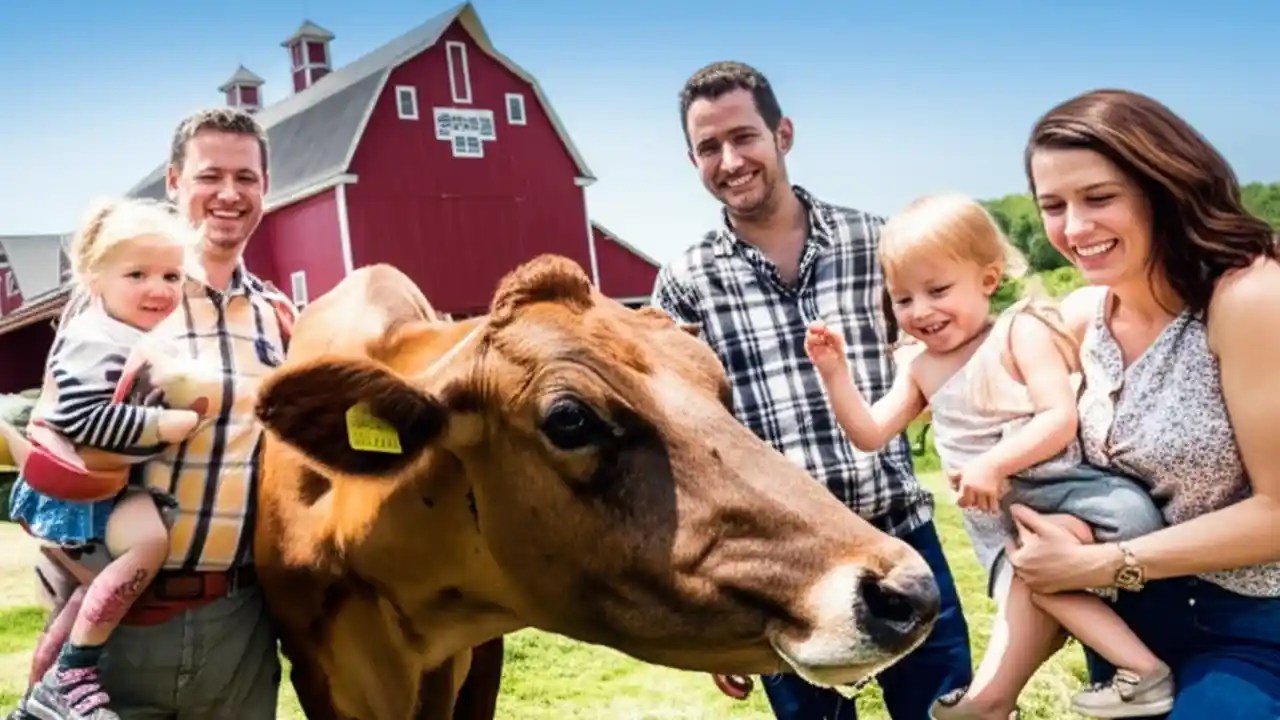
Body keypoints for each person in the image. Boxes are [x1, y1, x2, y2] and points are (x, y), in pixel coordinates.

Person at [651, 60, 973, 719]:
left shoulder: (877, 243)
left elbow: (946, 345)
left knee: (947, 712)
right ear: (693, 160)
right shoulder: (684, 283)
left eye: (744, 137)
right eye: (709, 148)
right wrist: (713, 616)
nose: (731, 160)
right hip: (783, 566)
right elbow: (681, 446)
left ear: (783, 134)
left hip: (902, 534)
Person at [802, 192, 1172, 719]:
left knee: (1039, 575)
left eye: (938, 290)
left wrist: (993, 464)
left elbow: (1058, 416)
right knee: (1037, 584)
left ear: (988, 280)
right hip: (1007, 522)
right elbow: (869, 432)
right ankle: (1003, 700)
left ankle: (1137, 672)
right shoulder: (920, 368)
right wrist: (835, 374)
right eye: (903, 300)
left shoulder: (1017, 332)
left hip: (1076, 496)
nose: (921, 311)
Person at [1003, 88, 1280, 719]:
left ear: (1163, 187)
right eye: (1053, 205)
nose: (1074, 228)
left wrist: (1099, 561)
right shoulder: (1081, 318)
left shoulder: (1248, 297)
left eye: (1099, 198)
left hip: (1253, 628)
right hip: (1133, 639)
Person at [9, 107, 293, 720]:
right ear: (173, 182)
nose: (228, 194)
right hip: (117, 626)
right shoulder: (120, 299)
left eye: (246, 178)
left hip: (237, 625)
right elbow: (61, 440)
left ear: (265, 190)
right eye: (208, 175)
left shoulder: (282, 319)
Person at [5, 197, 214, 720]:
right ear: (95, 277)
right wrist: (166, 426)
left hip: (101, 488)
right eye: (138, 274)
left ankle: (48, 690)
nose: (158, 289)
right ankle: (71, 675)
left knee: (96, 585)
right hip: (71, 491)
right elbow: (82, 418)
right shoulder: (92, 338)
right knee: (145, 546)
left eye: (171, 275)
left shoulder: (132, 335)